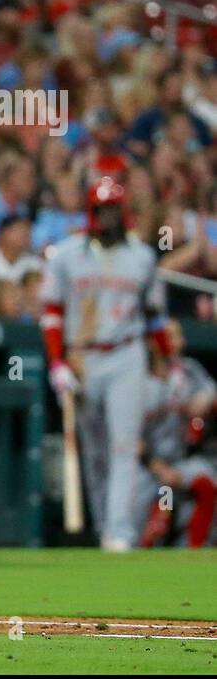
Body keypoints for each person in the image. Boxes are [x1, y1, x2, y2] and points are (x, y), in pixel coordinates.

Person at [42, 177, 171, 551]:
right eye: (101, 209)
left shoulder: (143, 256)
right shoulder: (66, 254)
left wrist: (166, 359)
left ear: (123, 211)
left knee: (124, 446)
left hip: (126, 352)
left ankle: (120, 532)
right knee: (94, 451)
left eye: (113, 209)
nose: (107, 217)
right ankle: (104, 528)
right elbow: (51, 313)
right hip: (82, 358)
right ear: (91, 211)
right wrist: (57, 364)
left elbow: (155, 317)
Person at [139, 321, 216, 549]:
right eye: (172, 336)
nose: (180, 343)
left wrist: (208, 400)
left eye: (179, 336)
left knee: (204, 483)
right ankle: (146, 555)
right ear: (152, 342)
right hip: (146, 469)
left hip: (181, 464)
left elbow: (210, 393)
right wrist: (158, 467)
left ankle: (194, 552)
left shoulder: (189, 371)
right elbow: (129, 440)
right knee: (158, 514)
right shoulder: (136, 380)